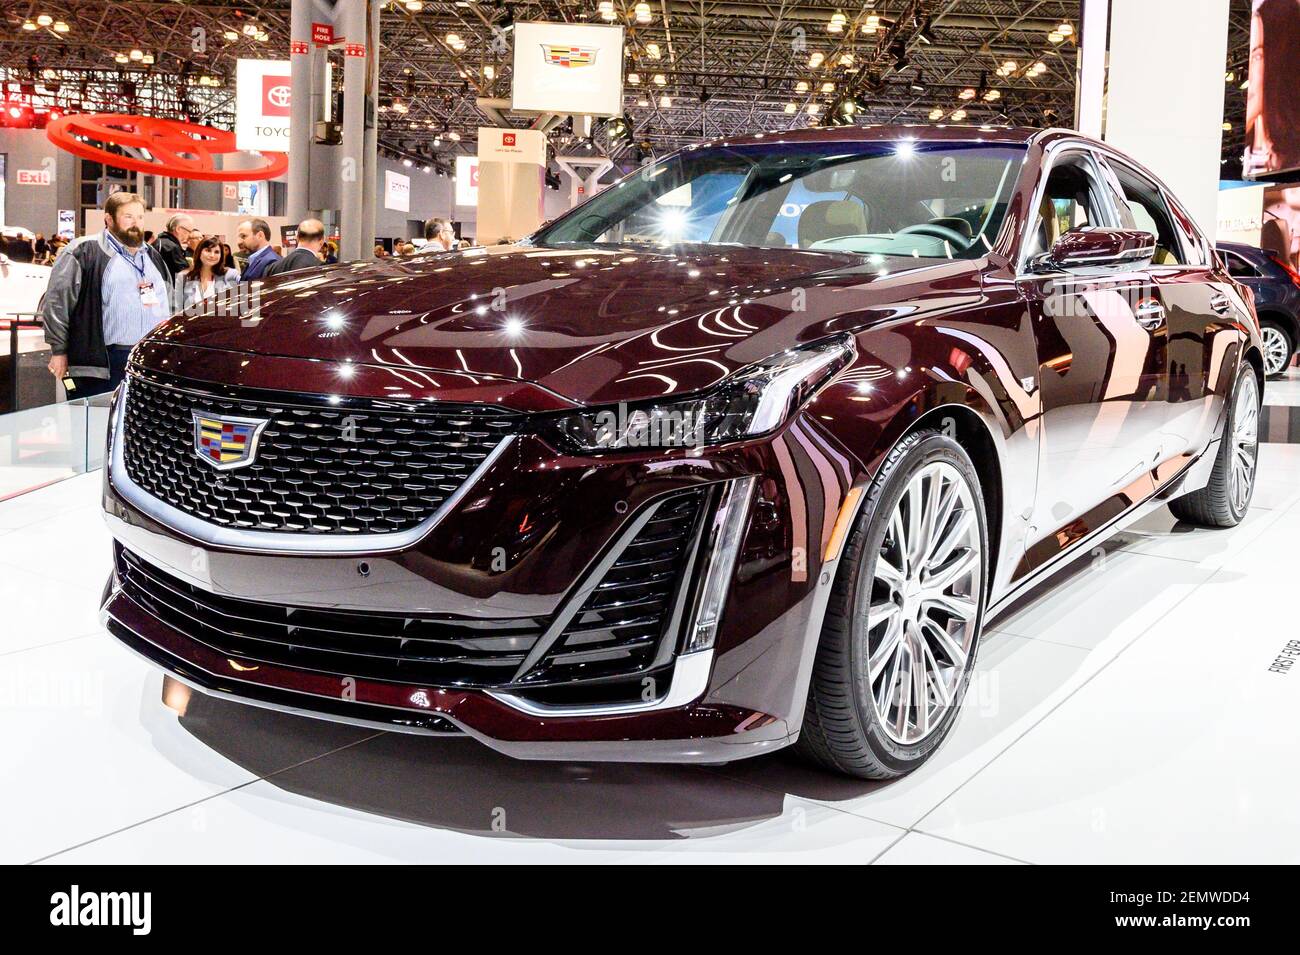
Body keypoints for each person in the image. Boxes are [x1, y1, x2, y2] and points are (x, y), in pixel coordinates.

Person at [42, 192, 172, 398]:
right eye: (128, 216)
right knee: (95, 425)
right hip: (103, 362)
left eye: (140, 217)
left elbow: (167, 303)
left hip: (149, 358)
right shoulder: (83, 251)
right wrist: (59, 351)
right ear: (109, 219)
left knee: (140, 427)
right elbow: (57, 304)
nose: (135, 223)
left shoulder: (152, 256)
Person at [181, 237, 241, 307]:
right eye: (208, 250)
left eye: (216, 252)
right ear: (199, 252)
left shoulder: (231, 275)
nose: (212, 255)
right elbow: (176, 309)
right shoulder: (185, 277)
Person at [152, 213, 195, 286]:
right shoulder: (172, 247)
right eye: (189, 231)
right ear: (178, 229)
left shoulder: (157, 242)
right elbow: (183, 275)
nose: (189, 235)